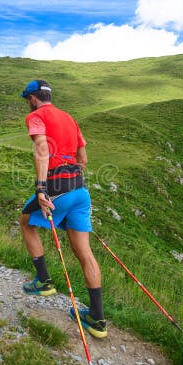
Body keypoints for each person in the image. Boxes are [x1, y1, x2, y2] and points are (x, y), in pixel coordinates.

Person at [18, 79, 107, 339]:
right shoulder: (70, 118)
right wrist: (71, 176)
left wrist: (42, 187)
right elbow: (83, 159)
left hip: (57, 189)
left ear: (34, 98)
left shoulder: (35, 117)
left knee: (26, 222)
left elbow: (42, 148)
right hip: (81, 192)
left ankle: (44, 282)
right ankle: (97, 319)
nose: (27, 104)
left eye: (27, 99)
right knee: (85, 253)